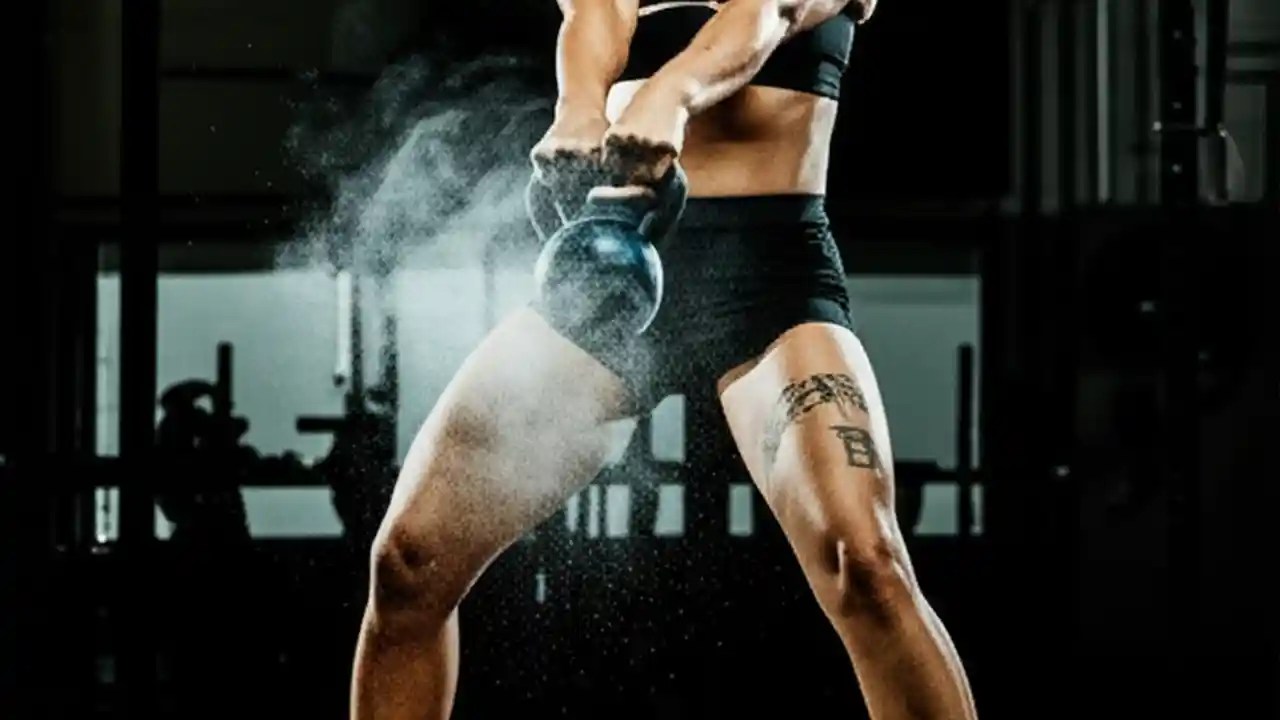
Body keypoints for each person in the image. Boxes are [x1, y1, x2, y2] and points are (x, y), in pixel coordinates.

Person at [351, 1, 979, 718]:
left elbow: (770, 10)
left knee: (865, 565)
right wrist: (579, 107)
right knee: (408, 564)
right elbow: (598, 13)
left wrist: (668, 94)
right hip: (614, 268)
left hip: (768, 280)